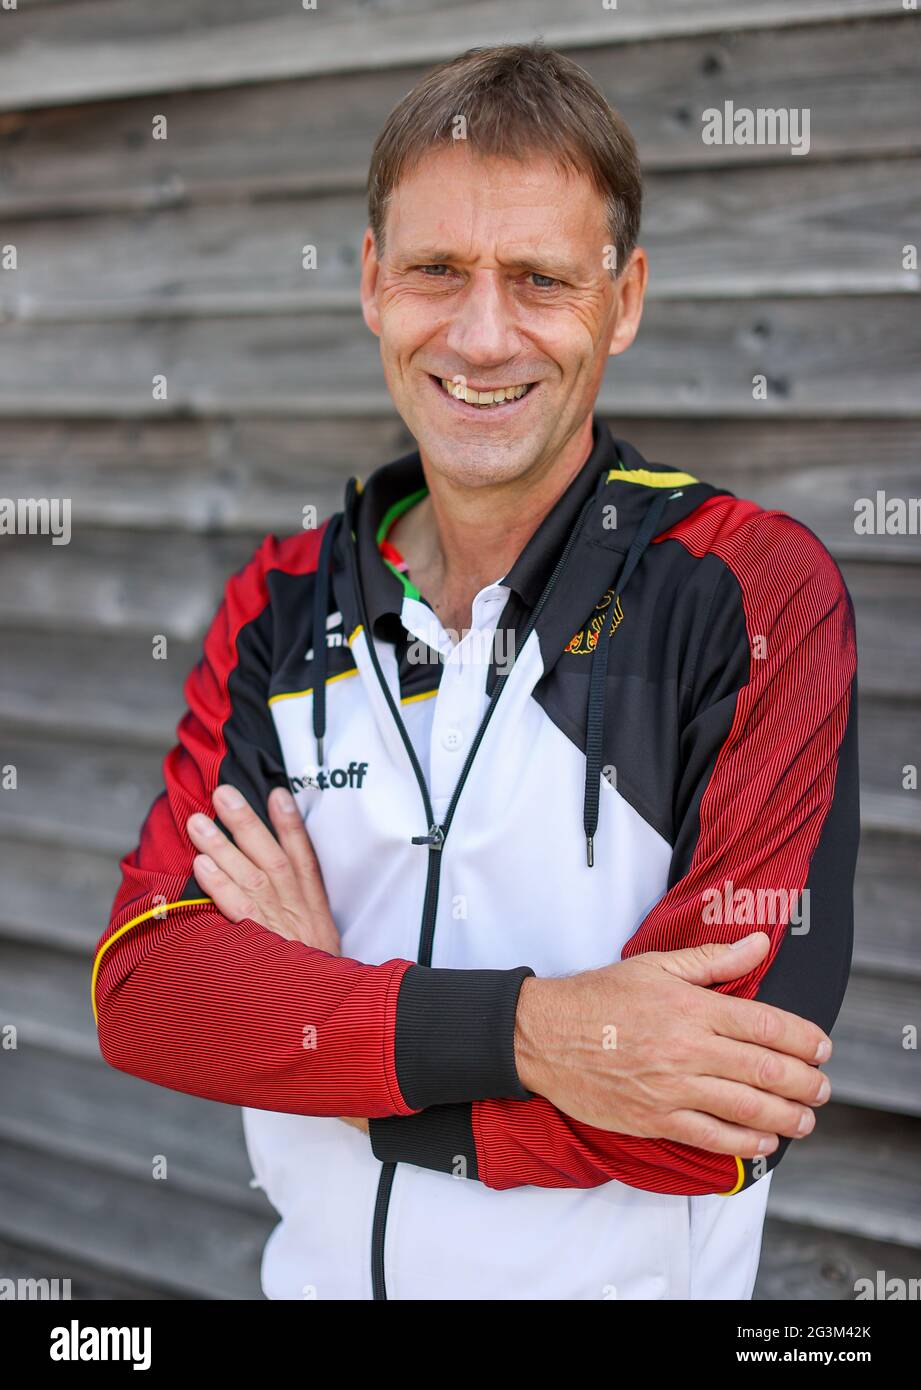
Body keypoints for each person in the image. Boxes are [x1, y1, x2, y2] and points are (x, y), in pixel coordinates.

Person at [92, 42, 858, 1301]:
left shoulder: (750, 593)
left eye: (541, 278)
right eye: (438, 269)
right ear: (372, 284)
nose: (482, 332)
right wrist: (539, 1037)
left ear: (625, 298)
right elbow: (147, 989)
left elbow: (715, 1110)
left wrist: (326, 1032)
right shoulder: (282, 600)